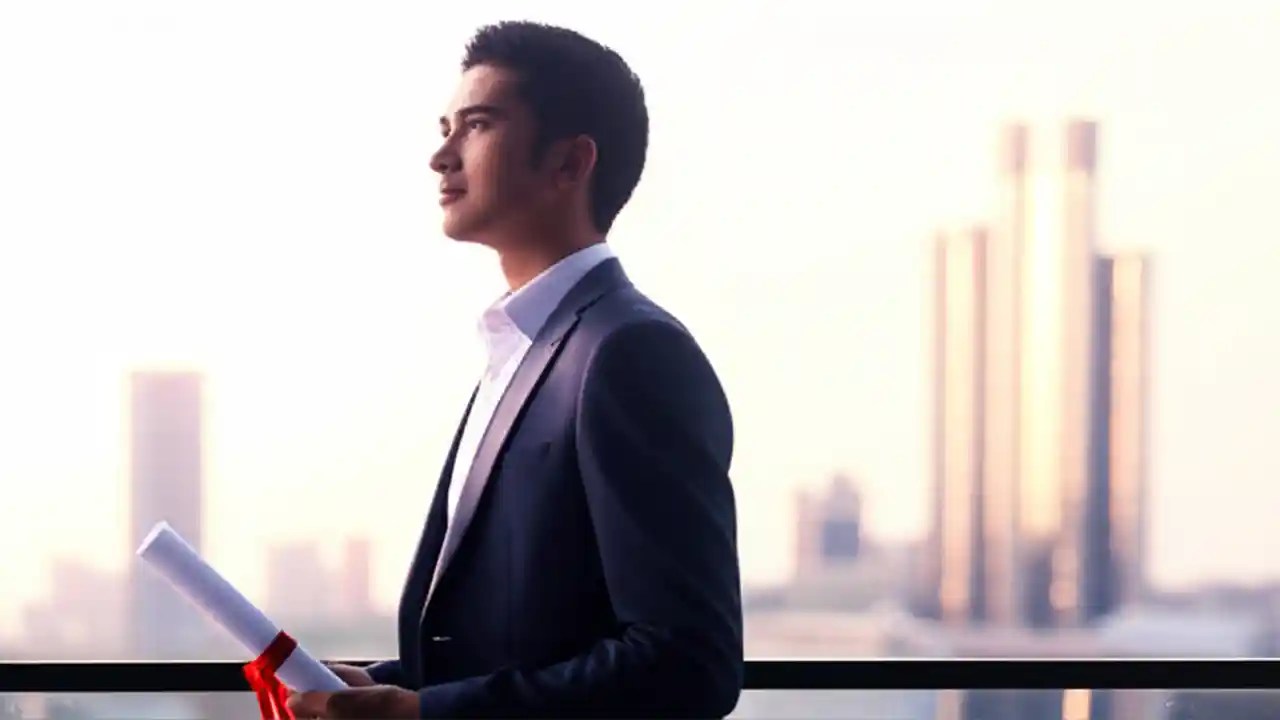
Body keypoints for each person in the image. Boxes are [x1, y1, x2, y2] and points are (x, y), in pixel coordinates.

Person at [288, 20, 742, 719]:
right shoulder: (525, 349)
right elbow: (517, 635)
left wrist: (419, 714)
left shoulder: (629, 353)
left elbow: (687, 663)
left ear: (569, 163)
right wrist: (389, 685)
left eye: (477, 125)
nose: (441, 156)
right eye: (445, 126)